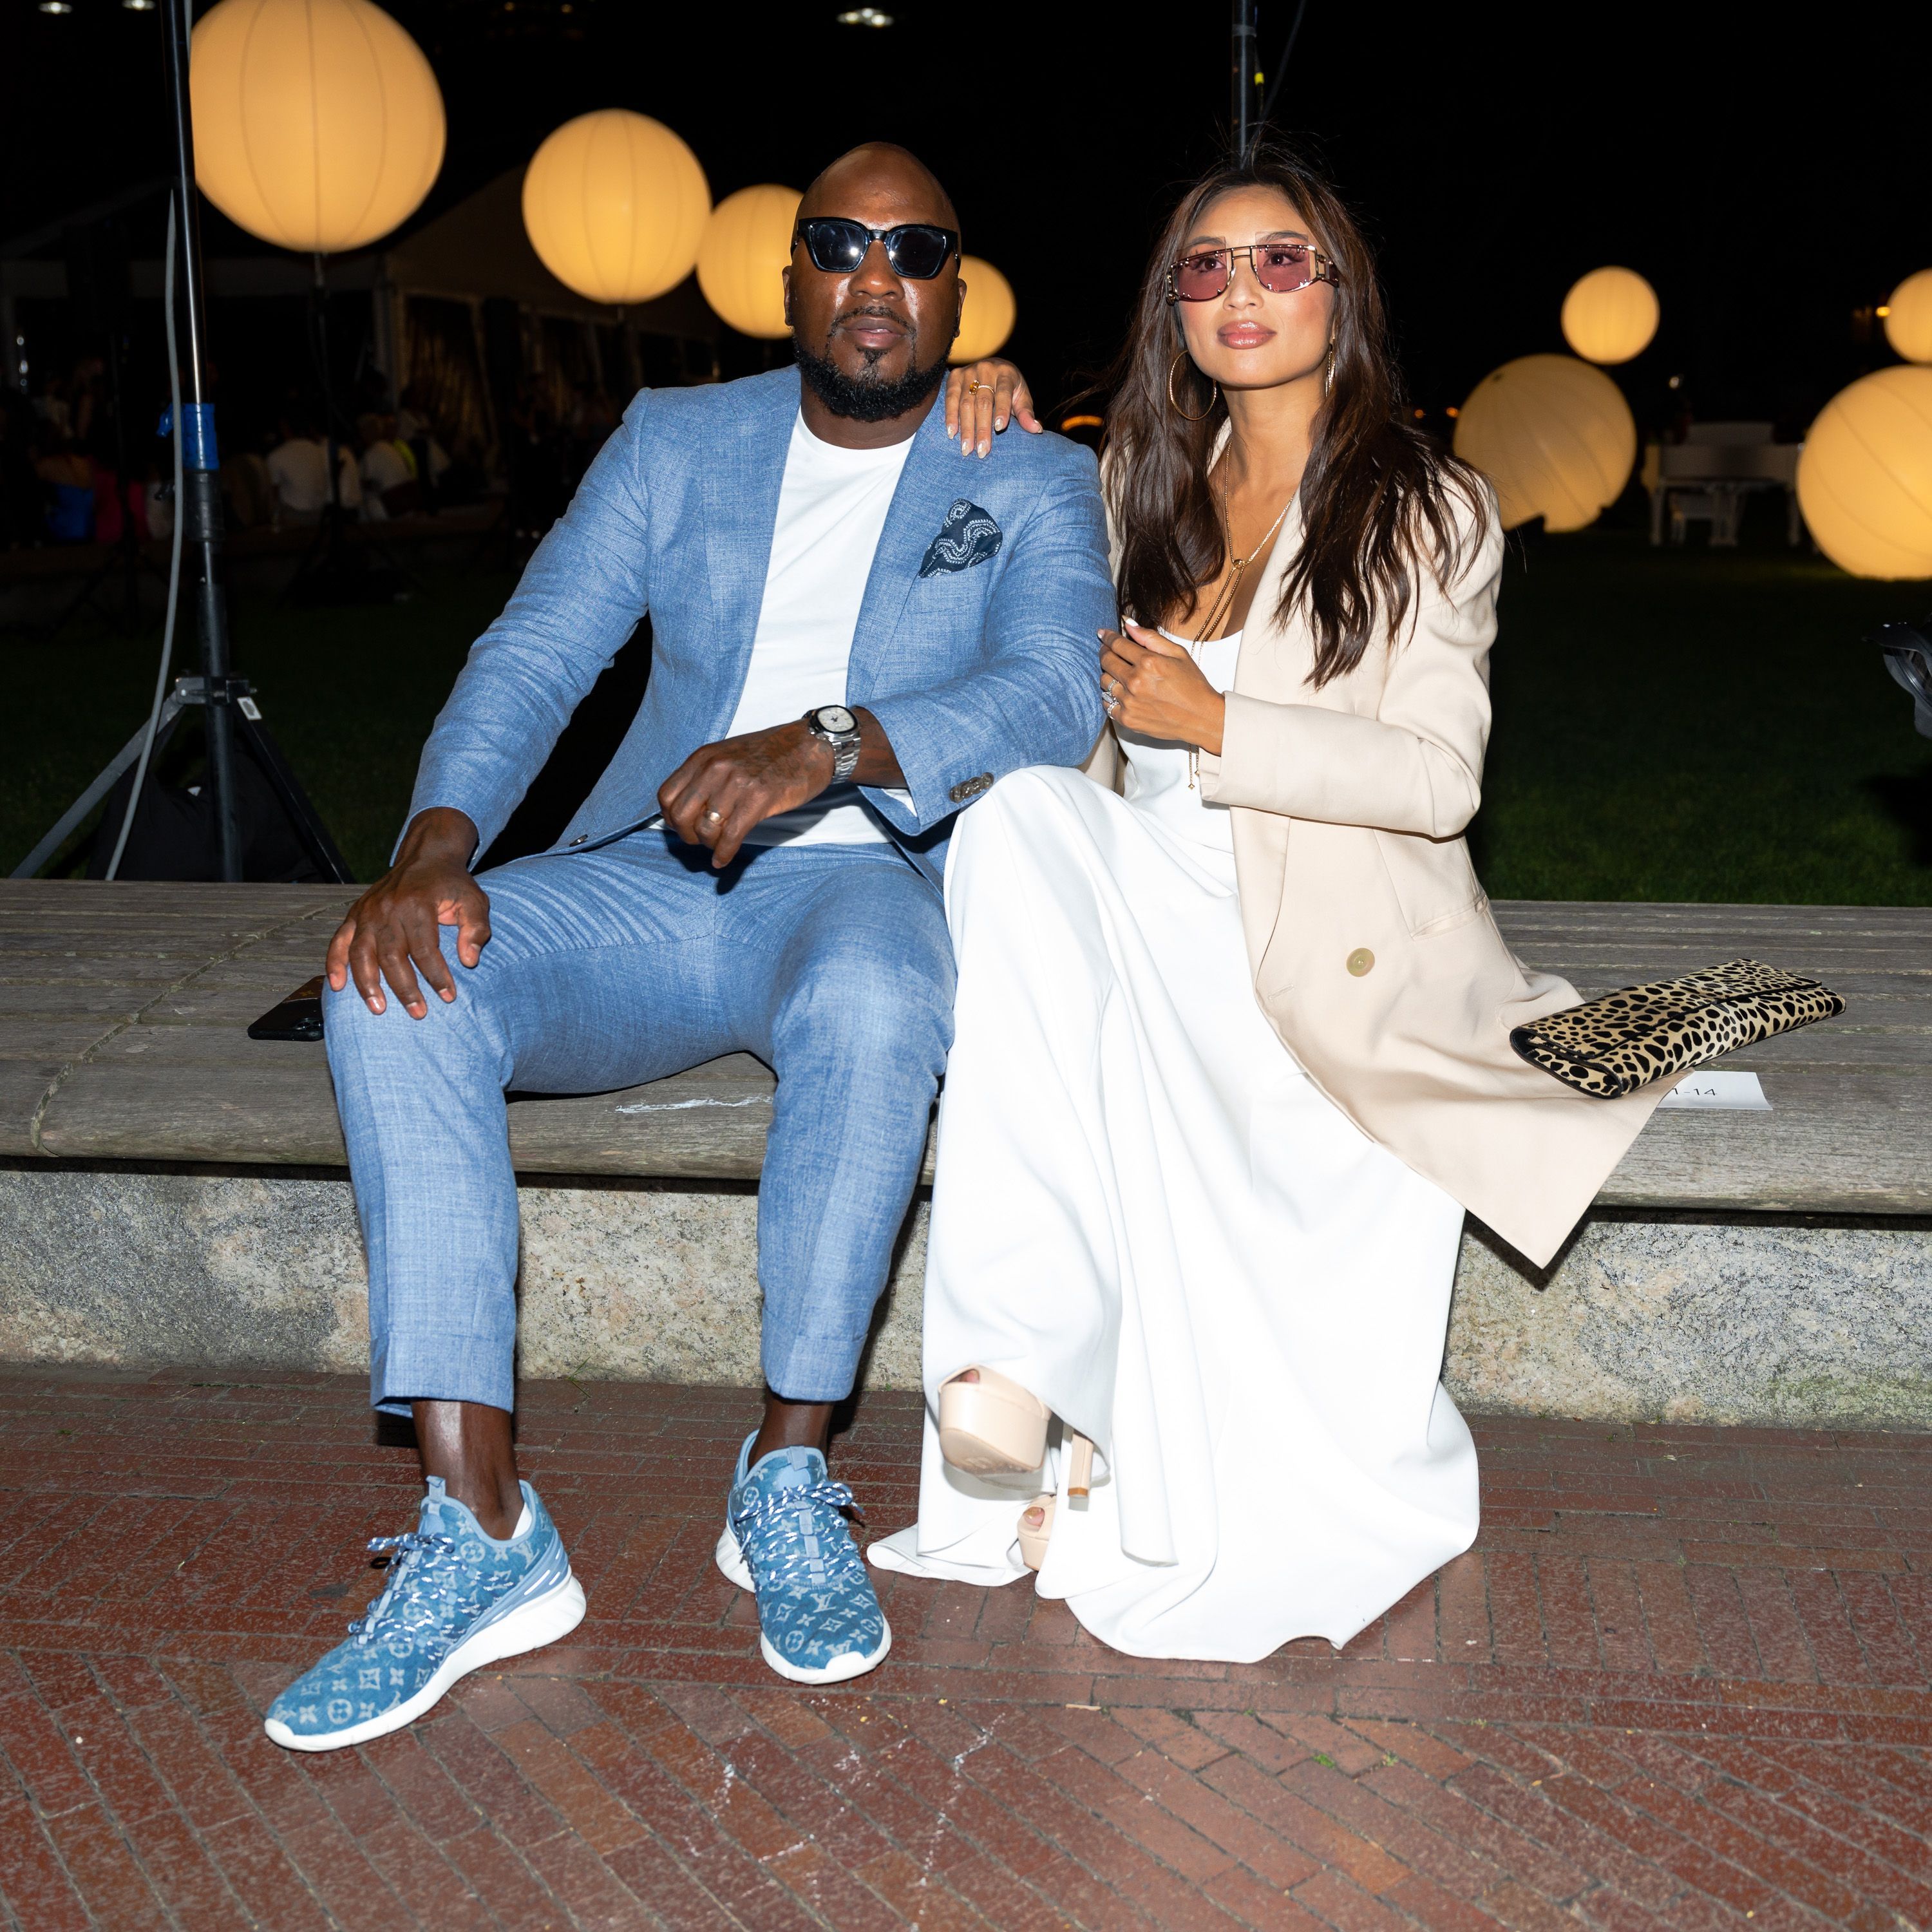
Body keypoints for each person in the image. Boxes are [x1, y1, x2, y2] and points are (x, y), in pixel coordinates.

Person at [261, 141, 1112, 1752]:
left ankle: (784, 1470)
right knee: (392, 984)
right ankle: (483, 1529)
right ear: (789, 280)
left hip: (864, 880)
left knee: (877, 1000)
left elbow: (1055, 688)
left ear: (957, 294)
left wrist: (831, 741)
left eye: (914, 251)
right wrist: (434, 846)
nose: (874, 278)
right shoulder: (677, 439)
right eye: (838, 245)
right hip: (654, 879)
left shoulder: (1025, 471)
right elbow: (537, 648)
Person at [871, 143, 1661, 1663]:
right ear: (1173, 306)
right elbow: (969, 582)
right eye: (1207, 266)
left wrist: (1218, 722)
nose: (1243, 290)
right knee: (1018, 819)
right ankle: (1017, 1363)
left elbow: (1436, 777)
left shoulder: (1426, 503)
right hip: (1141, 889)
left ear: (1337, 292)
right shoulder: (1135, 483)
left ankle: (1057, 1406)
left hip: (1316, 929)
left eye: (1280, 259)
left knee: (1044, 876)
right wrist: (985, 399)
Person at [265, 408, 360, 526]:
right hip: (321, 513)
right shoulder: (320, 451)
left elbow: (272, 496)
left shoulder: (276, 455)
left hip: (296, 516)